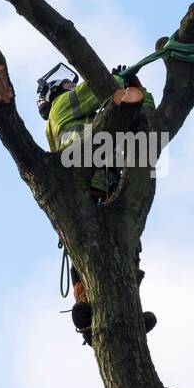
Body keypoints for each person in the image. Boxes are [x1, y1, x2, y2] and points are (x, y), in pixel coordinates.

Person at [37, 64, 158, 345]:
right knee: (87, 251)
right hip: (84, 188)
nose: (72, 86)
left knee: (127, 250)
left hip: (114, 187)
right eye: (67, 84)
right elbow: (96, 88)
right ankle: (85, 306)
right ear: (53, 94)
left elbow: (146, 114)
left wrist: (137, 87)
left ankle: (130, 308)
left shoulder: (101, 113)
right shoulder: (61, 110)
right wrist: (117, 80)